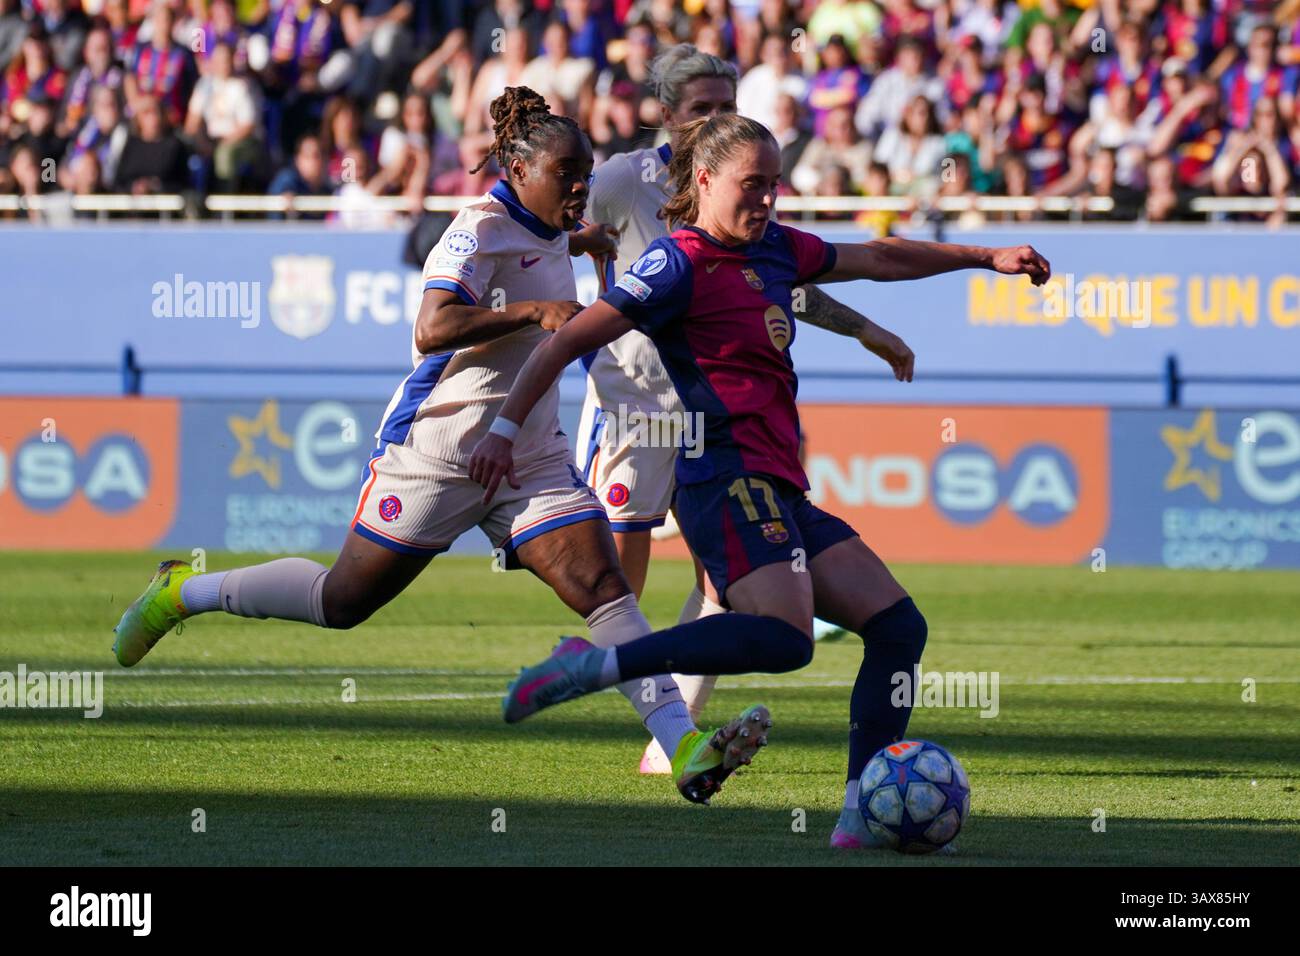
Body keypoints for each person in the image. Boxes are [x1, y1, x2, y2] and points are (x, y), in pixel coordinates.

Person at [112, 87, 772, 807]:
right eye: (567, 174)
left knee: (604, 586)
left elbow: (546, 246)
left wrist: (575, 240)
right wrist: (532, 310)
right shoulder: (476, 226)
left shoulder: (554, 223)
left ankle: (681, 748)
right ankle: (185, 591)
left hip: (527, 456)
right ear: (518, 172)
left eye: (586, 171)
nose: (581, 185)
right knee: (342, 602)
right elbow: (431, 328)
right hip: (439, 449)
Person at [469, 112, 1050, 849]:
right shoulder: (673, 265)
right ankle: (594, 663)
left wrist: (982, 256)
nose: (768, 201)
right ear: (705, 180)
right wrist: (503, 429)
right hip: (722, 477)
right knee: (787, 638)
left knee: (899, 626)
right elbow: (565, 343)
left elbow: (877, 256)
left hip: (779, 486)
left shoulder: (774, 249)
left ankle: (857, 815)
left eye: (775, 186)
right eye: (754, 185)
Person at [572, 42, 913, 776]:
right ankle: (641, 702)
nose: (715, 119)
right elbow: (558, 225)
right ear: (666, 115)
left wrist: (866, 329)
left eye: (726, 108)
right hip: (636, 406)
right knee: (618, 585)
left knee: (722, 578)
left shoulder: (743, 201)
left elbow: (779, 279)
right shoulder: (622, 181)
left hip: (713, 411)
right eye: (701, 109)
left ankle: (673, 741)